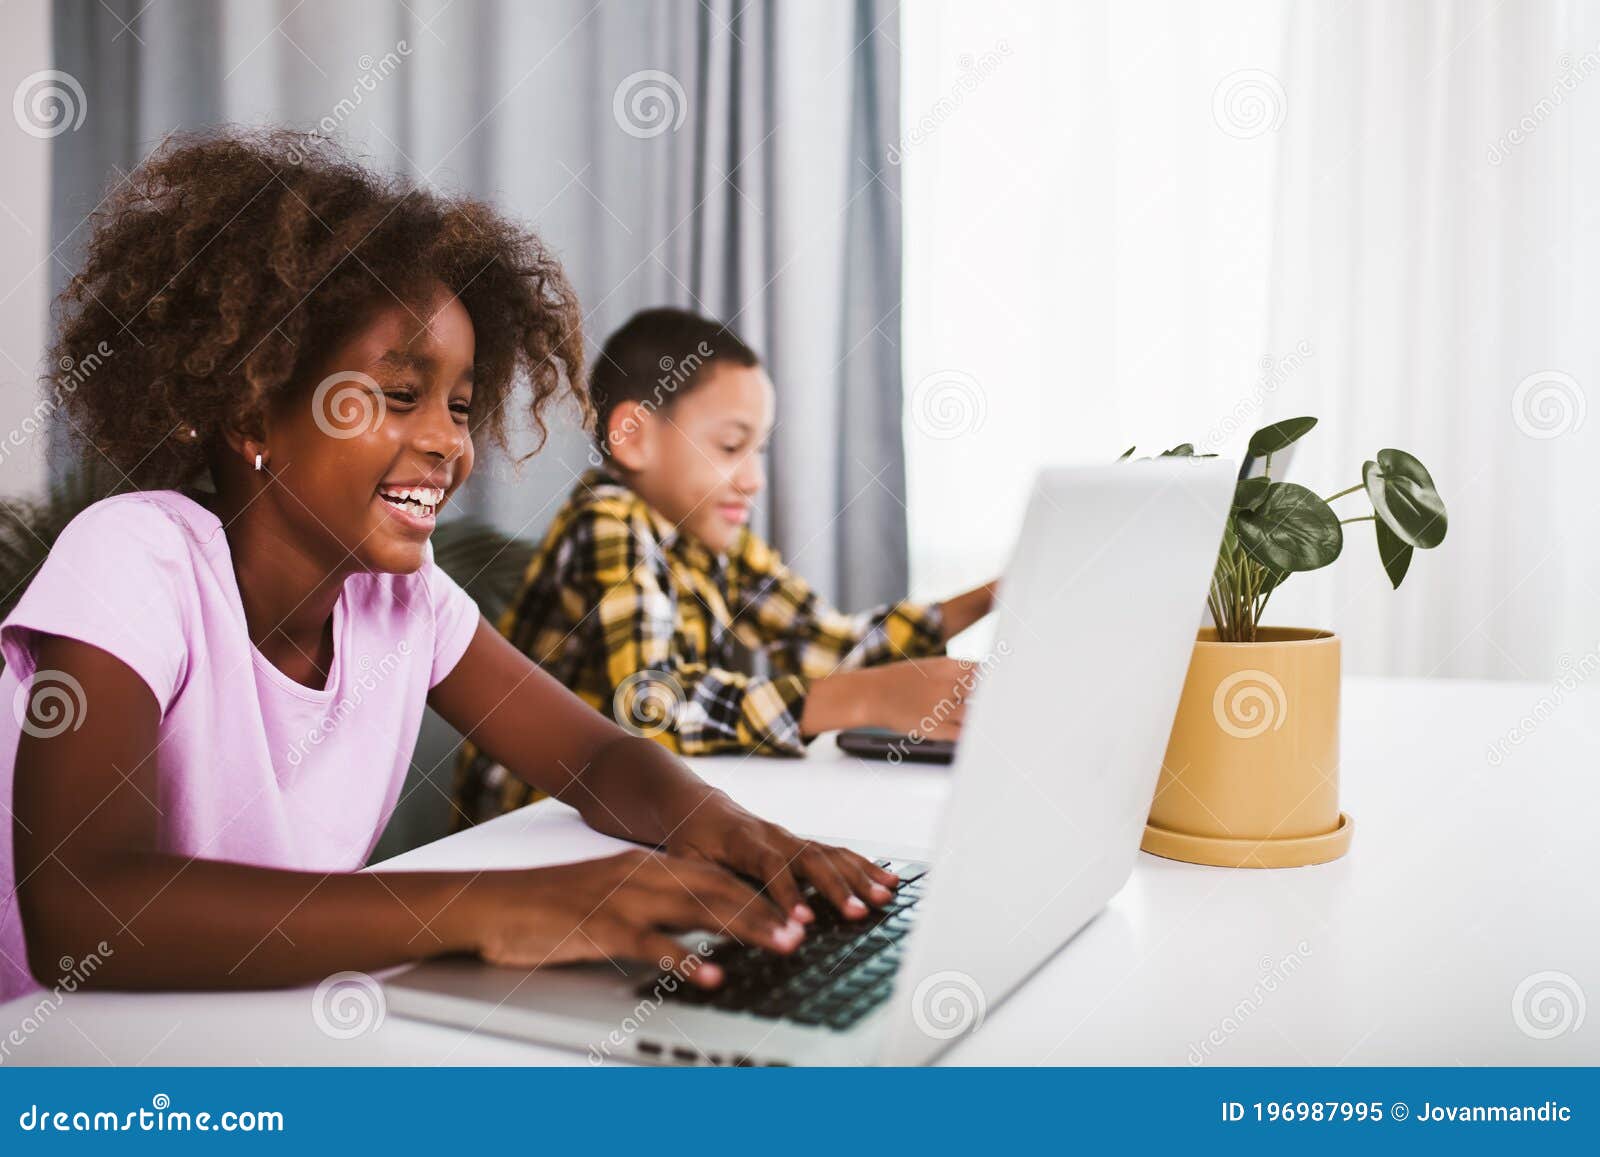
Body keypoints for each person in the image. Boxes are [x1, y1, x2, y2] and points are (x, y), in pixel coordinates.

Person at [0, 131, 898, 1004]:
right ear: (251, 412)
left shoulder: (407, 602)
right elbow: (80, 913)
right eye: (398, 395)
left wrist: (736, 832)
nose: (447, 442)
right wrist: (494, 906)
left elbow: (595, 755)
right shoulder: (134, 559)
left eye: (461, 404)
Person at [453, 308, 997, 826]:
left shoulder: (712, 541)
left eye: (758, 450)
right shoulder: (606, 521)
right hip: (530, 823)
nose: (754, 479)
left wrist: (991, 597)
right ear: (636, 437)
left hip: (626, 811)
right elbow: (654, 703)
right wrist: (865, 697)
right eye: (733, 445)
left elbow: (832, 644)